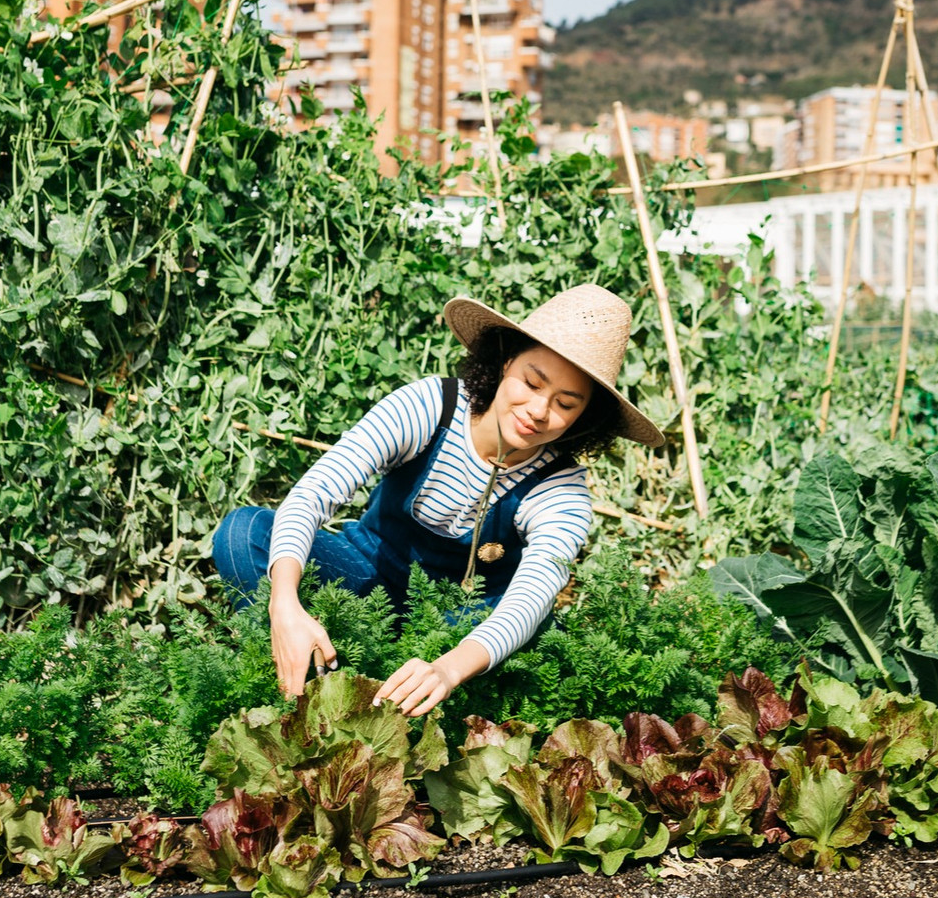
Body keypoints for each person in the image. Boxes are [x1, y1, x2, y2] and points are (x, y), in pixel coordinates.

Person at [211, 284, 666, 718]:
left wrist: (448, 670)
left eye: (566, 404)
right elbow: (315, 492)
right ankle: (299, 668)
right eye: (531, 382)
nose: (539, 411)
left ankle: (396, 690)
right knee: (243, 534)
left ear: (586, 417)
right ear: (506, 362)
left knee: (540, 626)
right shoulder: (433, 406)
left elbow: (532, 594)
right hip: (368, 572)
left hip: (461, 621)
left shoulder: (560, 489)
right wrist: (285, 603)